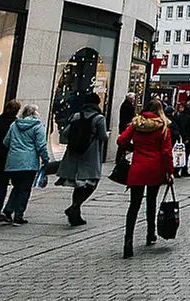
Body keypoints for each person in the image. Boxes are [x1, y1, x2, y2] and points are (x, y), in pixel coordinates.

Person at [116, 97, 174, 258]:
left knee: (134, 205)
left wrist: (134, 148)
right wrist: (170, 172)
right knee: (151, 201)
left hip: (138, 167)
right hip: (155, 168)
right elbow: (166, 153)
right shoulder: (163, 128)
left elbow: (121, 140)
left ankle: (128, 240)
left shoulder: (136, 124)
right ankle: (150, 232)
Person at [55, 92, 108, 227]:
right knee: (91, 183)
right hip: (90, 154)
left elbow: (66, 133)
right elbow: (102, 136)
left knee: (79, 184)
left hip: (74, 154)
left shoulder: (77, 115)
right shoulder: (99, 118)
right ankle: (75, 207)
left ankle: (75, 210)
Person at [0, 104, 50, 224]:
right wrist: (45, 159)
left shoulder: (14, 125)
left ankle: (8, 209)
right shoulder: (37, 126)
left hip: (13, 161)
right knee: (25, 189)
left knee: (16, 187)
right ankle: (18, 215)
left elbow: (6, 141)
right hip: (29, 162)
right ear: (35, 114)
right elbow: (41, 145)